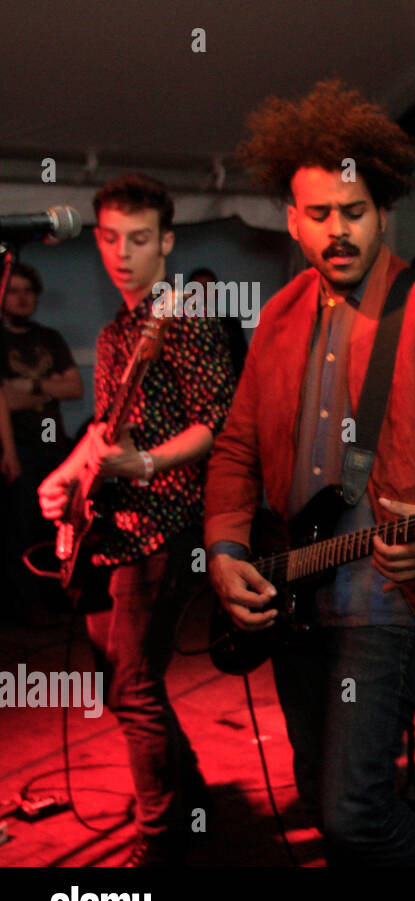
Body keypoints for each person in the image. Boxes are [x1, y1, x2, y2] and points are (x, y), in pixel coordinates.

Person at [206, 80, 415, 866]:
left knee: (354, 811)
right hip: (293, 590)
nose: (337, 230)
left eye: (352, 211)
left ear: (383, 211)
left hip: (385, 598)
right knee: (320, 796)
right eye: (318, 214)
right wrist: (223, 552)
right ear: (292, 220)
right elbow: (235, 450)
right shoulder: (280, 316)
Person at [37, 173, 236, 865]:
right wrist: (64, 476)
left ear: (167, 241)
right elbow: (102, 428)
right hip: (109, 526)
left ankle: (162, 842)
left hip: (163, 523)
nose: (124, 253)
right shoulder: (116, 329)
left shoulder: (183, 316)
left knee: (132, 682)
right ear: (97, 239)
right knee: (119, 680)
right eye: (112, 238)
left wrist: (146, 465)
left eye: (141, 239)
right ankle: (190, 802)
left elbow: (217, 424)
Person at [1, 262, 83, 621]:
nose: (22, 298)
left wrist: (31, 388)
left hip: (56, 447)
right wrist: (9, 452)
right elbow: (3, 398)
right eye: (14, 290)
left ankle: (62, 598)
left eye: (28, 291)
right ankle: (28, 606)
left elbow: (75, 387)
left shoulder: (49, 337)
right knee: (21, 529)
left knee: (63, 528)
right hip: (19, 449)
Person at [189, 267, 248, 378]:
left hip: (228, 388)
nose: (202, 293)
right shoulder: (180, 328)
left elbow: (242, 361)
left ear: (216, 292)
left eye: (207, 288)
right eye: (196, 289)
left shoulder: (230, 325)